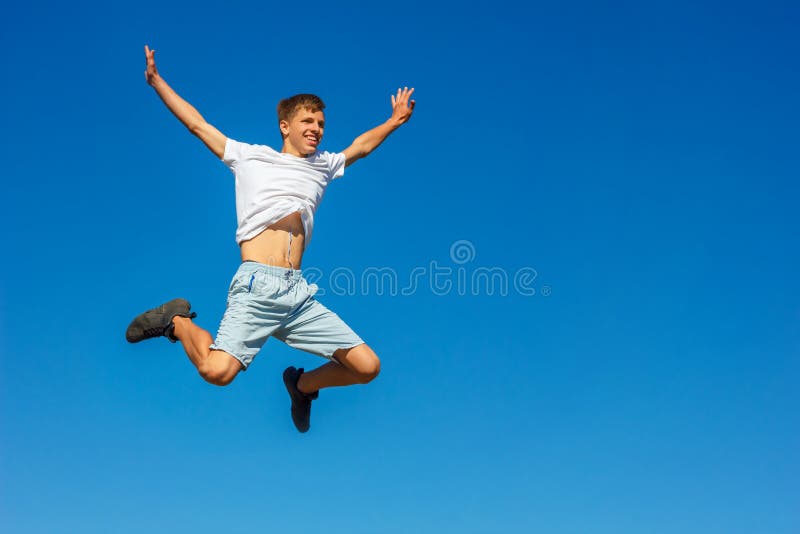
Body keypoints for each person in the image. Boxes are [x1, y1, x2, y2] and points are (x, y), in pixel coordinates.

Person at [126, 45, 415, 433]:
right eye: (308, 121)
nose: (316, 129)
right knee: (216, 371)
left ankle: (301, 386)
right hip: (257, 286)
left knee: (367, 366)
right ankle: (176, 320)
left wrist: (393, 121)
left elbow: (360, 147)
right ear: (286, 126)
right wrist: (158, 82)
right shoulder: (250, 158)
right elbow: (198, 125)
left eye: (321, 124)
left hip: (297, 295)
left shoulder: (323, 166)